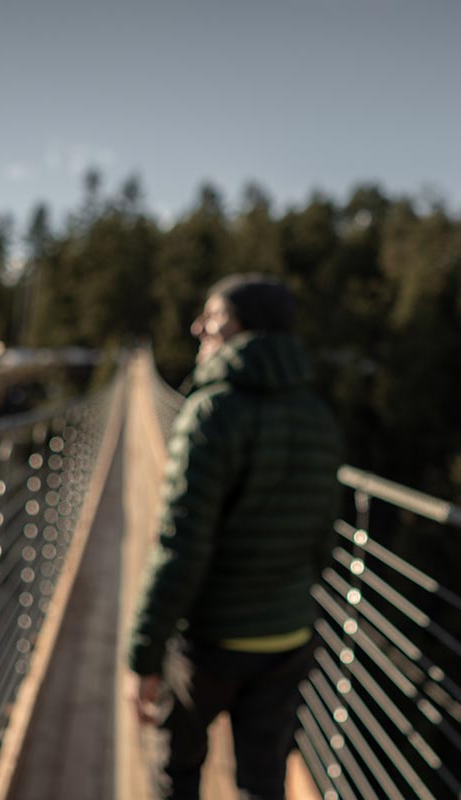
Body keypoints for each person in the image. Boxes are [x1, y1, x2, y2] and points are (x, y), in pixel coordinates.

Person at [129, 273, 342, 799]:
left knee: (178, 770)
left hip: (211, 643)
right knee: (264, 781)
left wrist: (144, 657)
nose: (198, 328)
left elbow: (180, 547)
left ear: (243, 331)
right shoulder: (317, 416)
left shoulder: (210, 412)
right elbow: (321, 540)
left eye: (213, 319)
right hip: (287, 639)